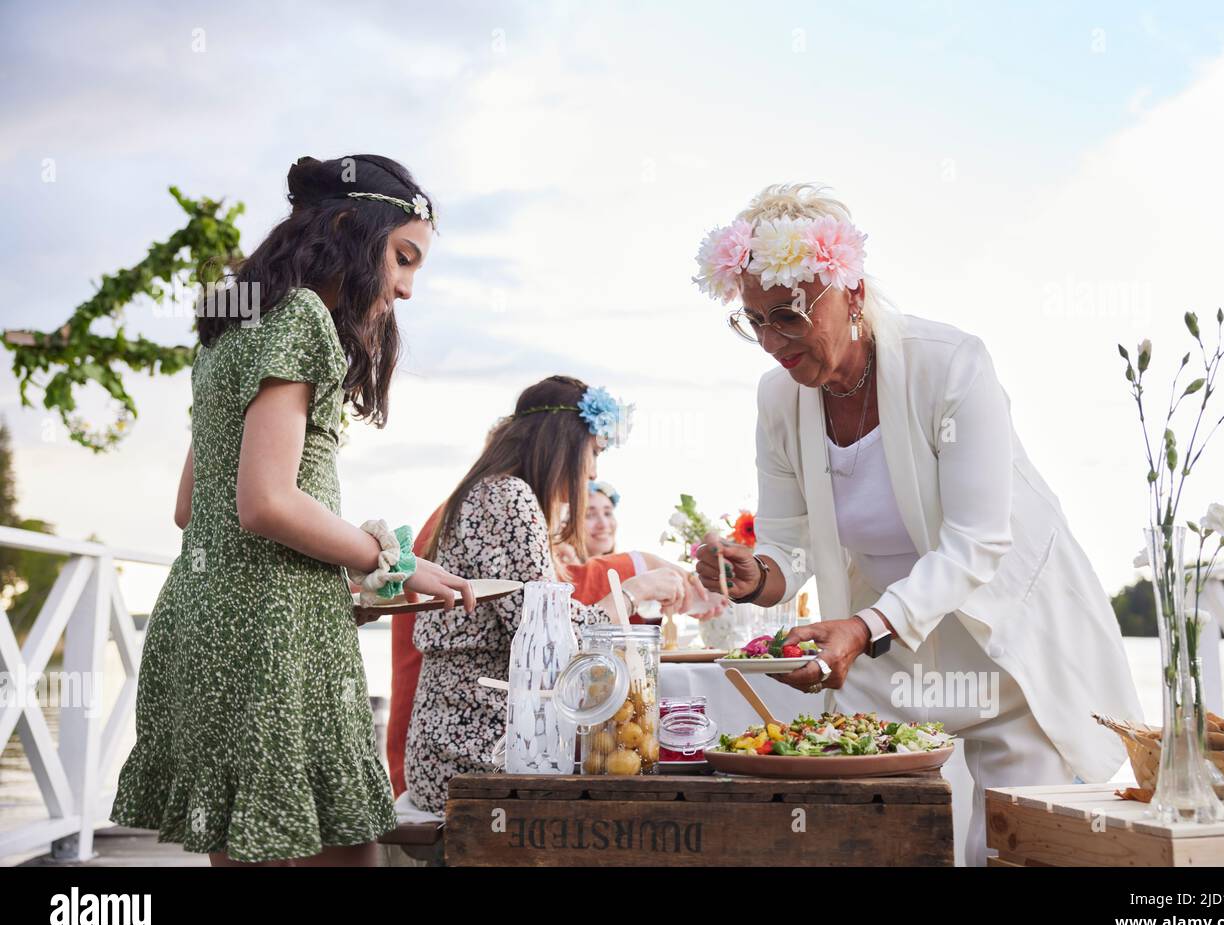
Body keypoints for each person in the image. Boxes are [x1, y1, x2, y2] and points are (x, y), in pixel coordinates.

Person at [692, 183, 1143, 866]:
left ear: (850, 289)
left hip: (1004, 652)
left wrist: (866, 625)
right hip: (886, 654)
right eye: (752, 321)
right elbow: (787, 544)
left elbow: (976, 540)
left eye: (785, 316)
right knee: (860, 839)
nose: (770, 343)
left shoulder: (952, 364)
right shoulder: (778, 398)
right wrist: (757, 575)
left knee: (1013, 849)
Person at [110, 155, 475, 867]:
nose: (405, 285)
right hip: (274, 637)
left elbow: (195, 506)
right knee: (350, 856)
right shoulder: (304, 317)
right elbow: (267, 501)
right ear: (348, 226)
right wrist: (390, 559)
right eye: (404, 258)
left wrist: (341, 578)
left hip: (204, 623)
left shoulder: (230, 331)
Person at [403, 375, 702, 816]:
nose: (595, 472)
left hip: (458, 742)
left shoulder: (488, 492)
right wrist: (633, 593)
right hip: (479, 751)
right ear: (562, 441)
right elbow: (553, 643)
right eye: (595, 452)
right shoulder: (506, 497)